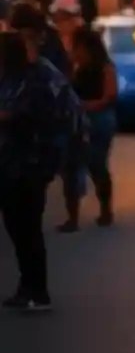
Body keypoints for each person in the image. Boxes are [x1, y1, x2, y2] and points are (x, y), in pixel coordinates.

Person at [0, 30, 72, 312]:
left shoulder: (35, 79)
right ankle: (26, 285)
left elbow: (26, 114)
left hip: (30, 164)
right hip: (9, 164)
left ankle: (38, 290)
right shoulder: (9, 78)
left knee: (27, 227)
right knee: (16, 227)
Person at [58, 27, 117, 231]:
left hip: (98, 119)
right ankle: (73, 216)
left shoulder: (104, 67)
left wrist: (87, 105)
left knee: (97, 165)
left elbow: (109, 95)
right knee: (70, 168)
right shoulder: (75, 66)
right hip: (76, 118)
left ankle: (105, 210)